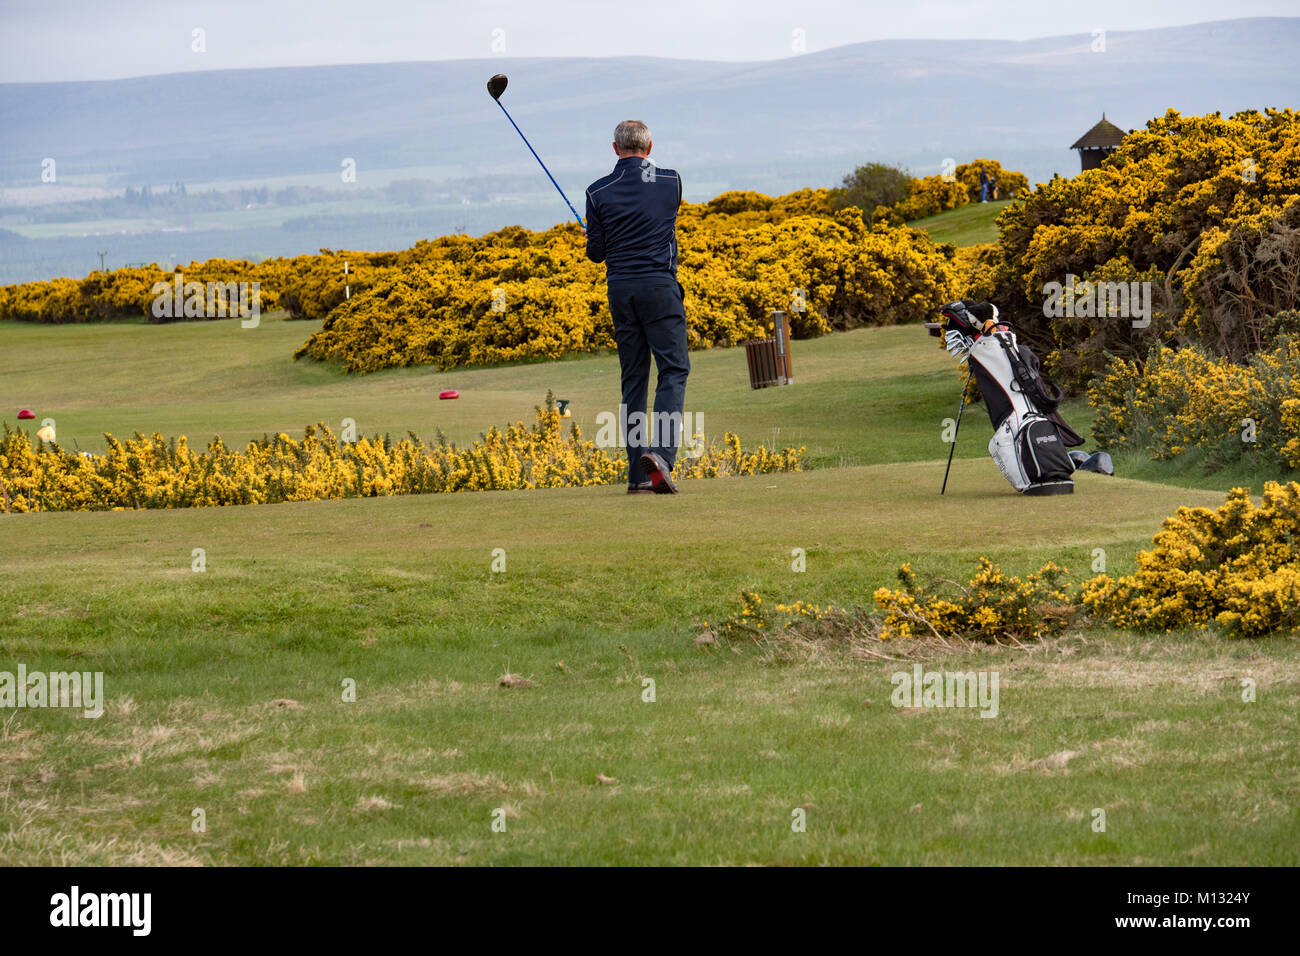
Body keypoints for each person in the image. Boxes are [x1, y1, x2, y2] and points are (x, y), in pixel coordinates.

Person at [584, 120, 689, 495]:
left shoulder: (597, 192)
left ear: (615, 149)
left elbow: (596, 254)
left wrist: (592, 233)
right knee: (674, 370)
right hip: (660, 287)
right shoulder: (671, 181)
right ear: (649, 146)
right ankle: (660, 455)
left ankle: (638, 474)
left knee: (634, 381)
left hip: (621, 291)